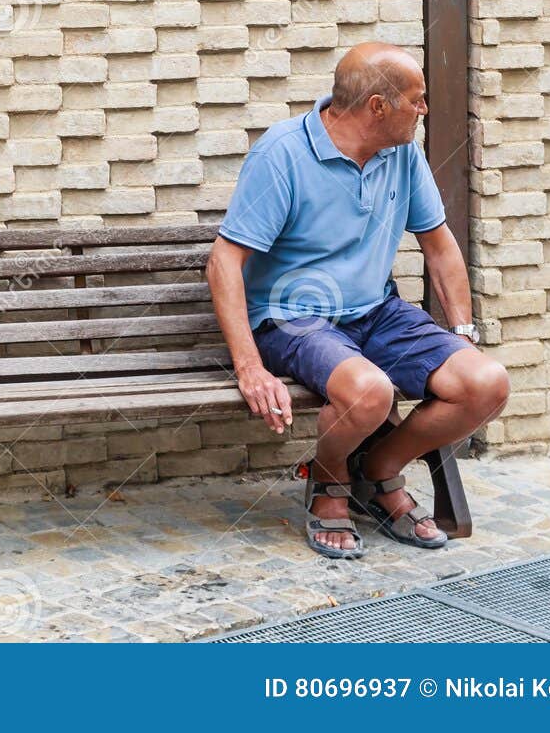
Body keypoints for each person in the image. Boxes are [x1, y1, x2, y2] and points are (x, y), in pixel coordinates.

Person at [205, 43, 510, 558]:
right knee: (371, 392)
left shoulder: (402, 152)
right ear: (377, 106)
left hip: (376, 311)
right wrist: (249, 367)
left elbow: (438, 245)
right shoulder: (283, 153)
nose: (424, 109)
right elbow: (223, 262)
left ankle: (378, 470)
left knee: (485, 383)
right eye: (417, 99)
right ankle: (328, 476)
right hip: (293, 318)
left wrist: (462, 334)